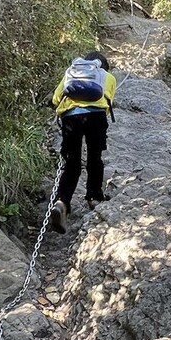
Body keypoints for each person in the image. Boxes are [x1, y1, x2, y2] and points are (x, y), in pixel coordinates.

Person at [48, 51, 116, 232]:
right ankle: (94, 197)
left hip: (71, 118)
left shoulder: (71, 72)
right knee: (95, 157)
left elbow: (56, 99)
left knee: (72, 162)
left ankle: (62, 202)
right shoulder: (108, 77)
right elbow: (108, 101)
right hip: (97, 117)